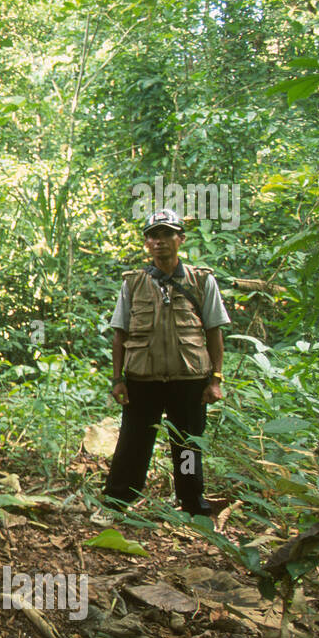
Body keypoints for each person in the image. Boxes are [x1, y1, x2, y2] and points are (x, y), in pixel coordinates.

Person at [97, 208, 229, 520]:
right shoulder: (133, 284)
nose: (160, 242)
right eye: (154, 236)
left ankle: (192, 503)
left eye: (167, 234)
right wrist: (117, 380)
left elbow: (214, 332)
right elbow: (120, 335)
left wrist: (216, 379)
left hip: (189, 379)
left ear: (180, 239)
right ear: (146, 243)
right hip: (143, 379)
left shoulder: (201, 281)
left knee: (186, 445)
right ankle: (116, 503)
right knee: (133, 444)